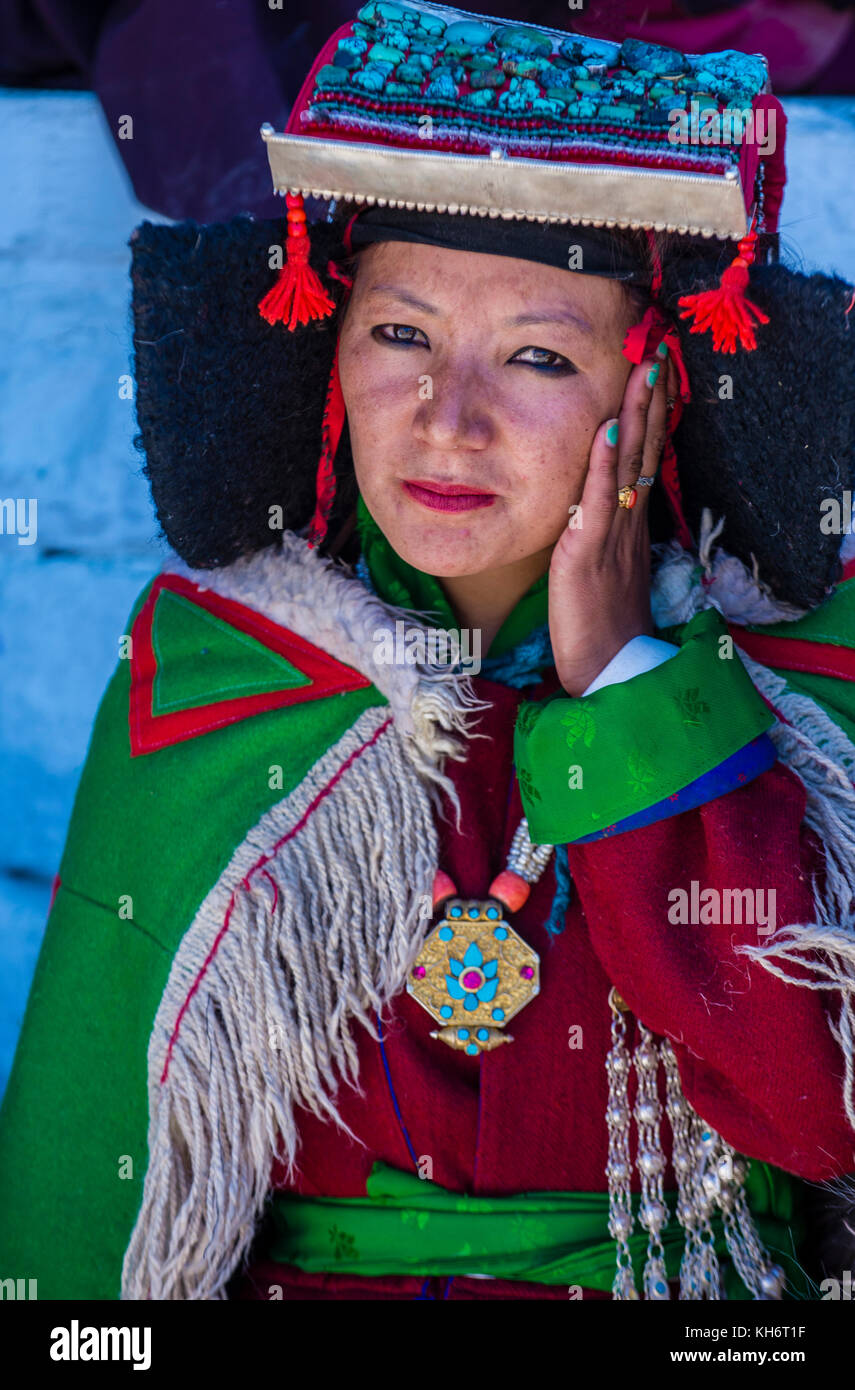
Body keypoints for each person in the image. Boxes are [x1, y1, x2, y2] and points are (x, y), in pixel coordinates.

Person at [2, 0, 855, 1302]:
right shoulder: (219, 678)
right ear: (331, 351)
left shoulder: (788, 686)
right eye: (399, 334)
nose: (446, 420)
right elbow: (73, 1210)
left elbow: (816, 1117)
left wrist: (625, 684)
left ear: (656, 389)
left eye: (534, 355)